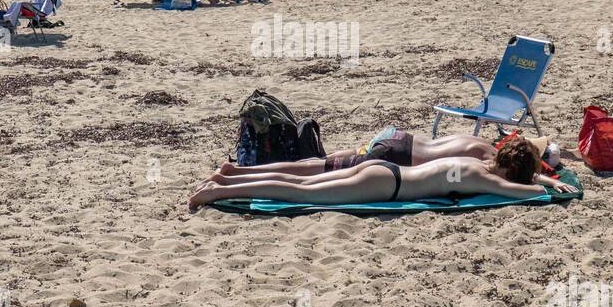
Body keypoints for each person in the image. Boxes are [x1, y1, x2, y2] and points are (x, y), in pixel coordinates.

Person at [189, 134, 576, 211]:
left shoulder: (478, 162)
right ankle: (218, 192)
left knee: (302, 181)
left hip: (385, 167)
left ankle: (229, 180)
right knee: (300, 192)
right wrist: (547, 185)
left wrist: (542, 175)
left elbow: (515, 181)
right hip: (385, 185)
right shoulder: (486, 178)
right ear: (511, 170)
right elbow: (523, 193)